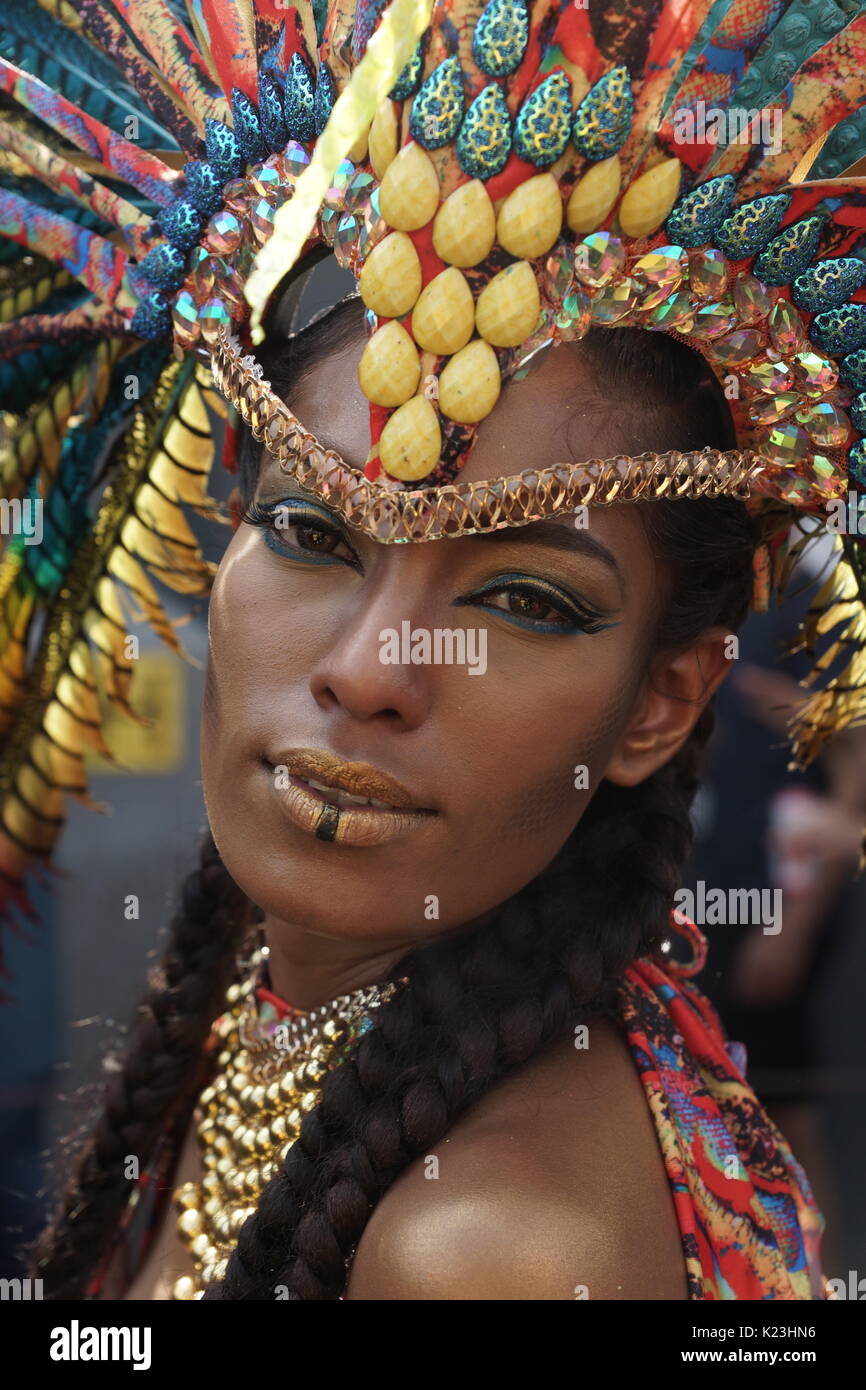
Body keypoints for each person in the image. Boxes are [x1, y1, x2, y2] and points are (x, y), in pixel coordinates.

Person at [4, 0, 865, 1301]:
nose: (365, 667)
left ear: (662, 700)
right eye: (308, 529)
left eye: (522, 600)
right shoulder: (272, 997)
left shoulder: (487, 1250)